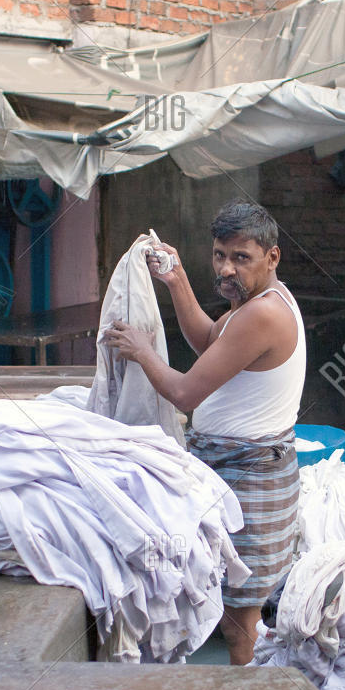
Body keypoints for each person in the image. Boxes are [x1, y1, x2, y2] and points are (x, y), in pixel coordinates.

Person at [102, 200, 305, 665]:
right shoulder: (249, 305)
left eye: (241, 258)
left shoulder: (263, 315)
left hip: (251, 477)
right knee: (231, 610)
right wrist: (176, 280)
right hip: (234, 472)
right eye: (219, 255)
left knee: (239, 623)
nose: (227, 268)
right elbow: (207, 341)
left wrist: (142, 349)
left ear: (272, 257)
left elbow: (185, 393)